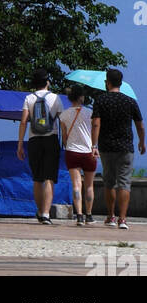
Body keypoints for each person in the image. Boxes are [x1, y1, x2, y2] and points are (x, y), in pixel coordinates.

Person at [91, 68, 146, 230]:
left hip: (106, 147)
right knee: (124, 183)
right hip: (126, 147)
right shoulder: (130, 101)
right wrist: (142, 142)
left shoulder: (101, 100)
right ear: (120, 83)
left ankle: (111, 216)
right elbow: (140, 126)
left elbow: (96, 123)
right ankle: (123, 219)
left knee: (109, 183)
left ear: (107, 82)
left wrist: (93, 145)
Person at [17, 67, 62, 226]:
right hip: (51, 139)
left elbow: (23, 122)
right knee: (49, 178)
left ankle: (39, 209)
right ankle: (45, 213)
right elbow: (61, 121)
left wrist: (20, 144)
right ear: (47, 82)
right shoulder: (55, 98)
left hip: (34, 140)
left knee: (37, 178)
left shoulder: (28, 98)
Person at [59, 84, 96, 226]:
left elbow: (64, 137)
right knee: (89, 185)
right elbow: (94, 131)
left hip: (72, 151)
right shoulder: (90, 113)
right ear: (82, 97)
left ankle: (79, 215)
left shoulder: (64, 114)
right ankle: (89, 215)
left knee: (76, 185)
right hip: (88, 151)